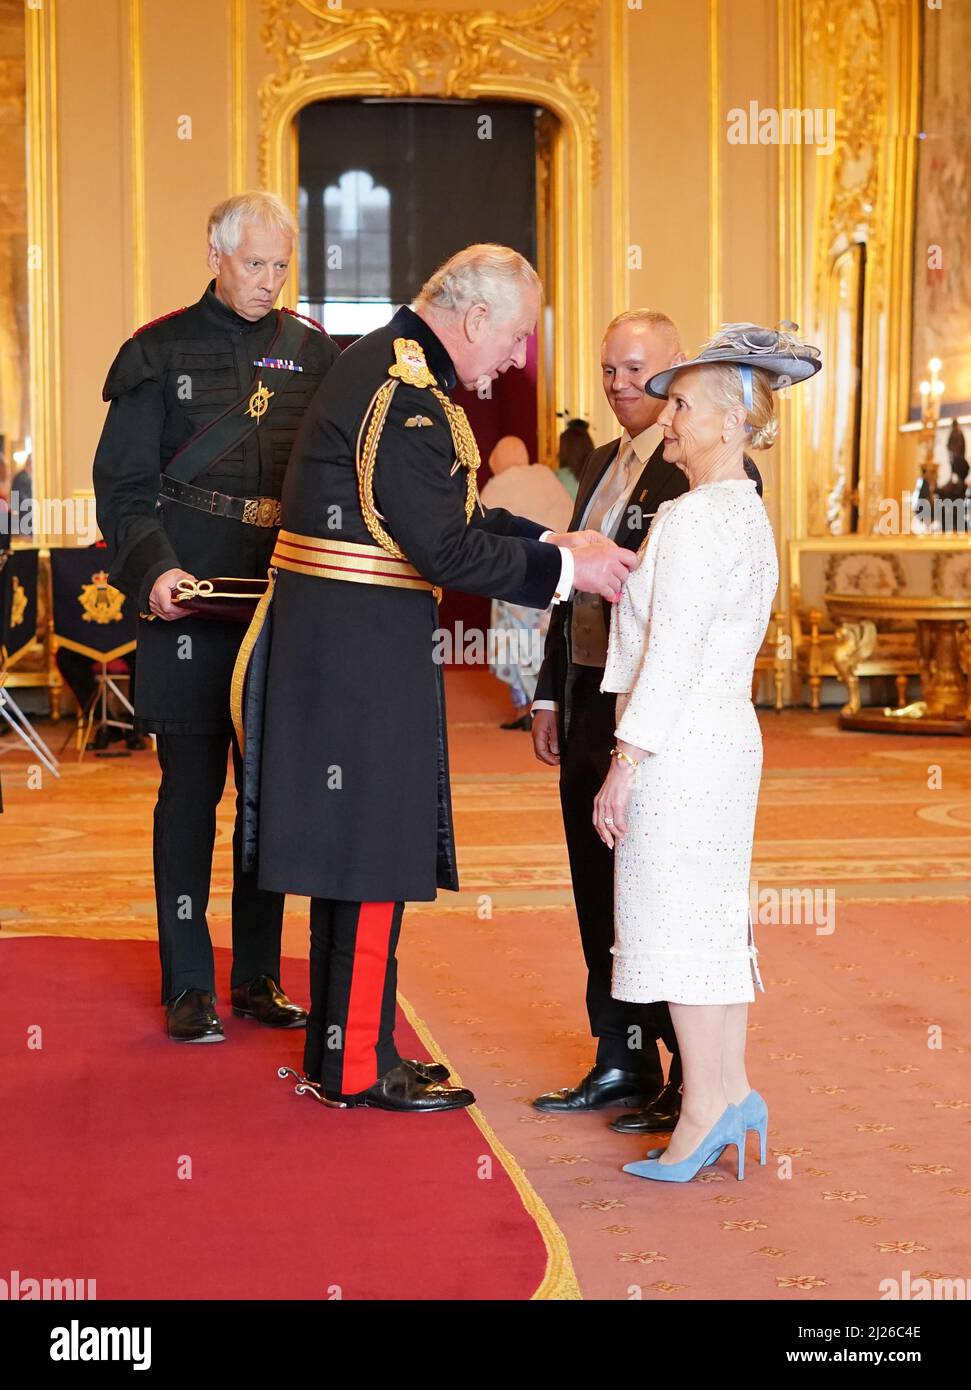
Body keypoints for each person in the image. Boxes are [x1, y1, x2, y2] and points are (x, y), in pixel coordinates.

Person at [247, 243, 638, 1113]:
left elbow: (449, 511)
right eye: (515, 336)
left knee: (358, 853)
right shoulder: (405, 391)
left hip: (351, 645)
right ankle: (356, 1066)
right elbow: (445, 550)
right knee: (372, 853)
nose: (515, 358)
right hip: (359, 655)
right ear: (475, 317)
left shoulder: (400, 371)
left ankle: (353, 1049)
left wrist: (552, 541)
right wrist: (572, 572)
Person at [93, 191, 339, 1042]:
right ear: (215, 255)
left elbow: (337, 479)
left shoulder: (314, 352)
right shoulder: (155, 351)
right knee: (190, 797)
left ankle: (258, 974)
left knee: (270, 799)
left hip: (281, 604)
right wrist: (153, 568)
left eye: (281, 265)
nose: (269, 280)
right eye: (254, 263)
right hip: (188, 600)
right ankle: (189, 982)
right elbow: (124, 489)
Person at [594, 323, 820, 1182]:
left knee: (676, 926)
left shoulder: (692, 518)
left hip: (678, 748)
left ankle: (700, 1112)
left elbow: (673, 653)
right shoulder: (744, 511)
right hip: (723, 738)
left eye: (682, 405)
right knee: (713, 923)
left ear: (730, 422)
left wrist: (625, 762)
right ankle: (728, 1091)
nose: (668, 418)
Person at [480, 435, 574, 729]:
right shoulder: (546, 478)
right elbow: (569, 519)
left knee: (514, 641)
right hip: (554, 574)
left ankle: (523, 708)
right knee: (545, 642)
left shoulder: (497, 486)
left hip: (513, 578)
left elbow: (482, 533)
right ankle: (545, 707)